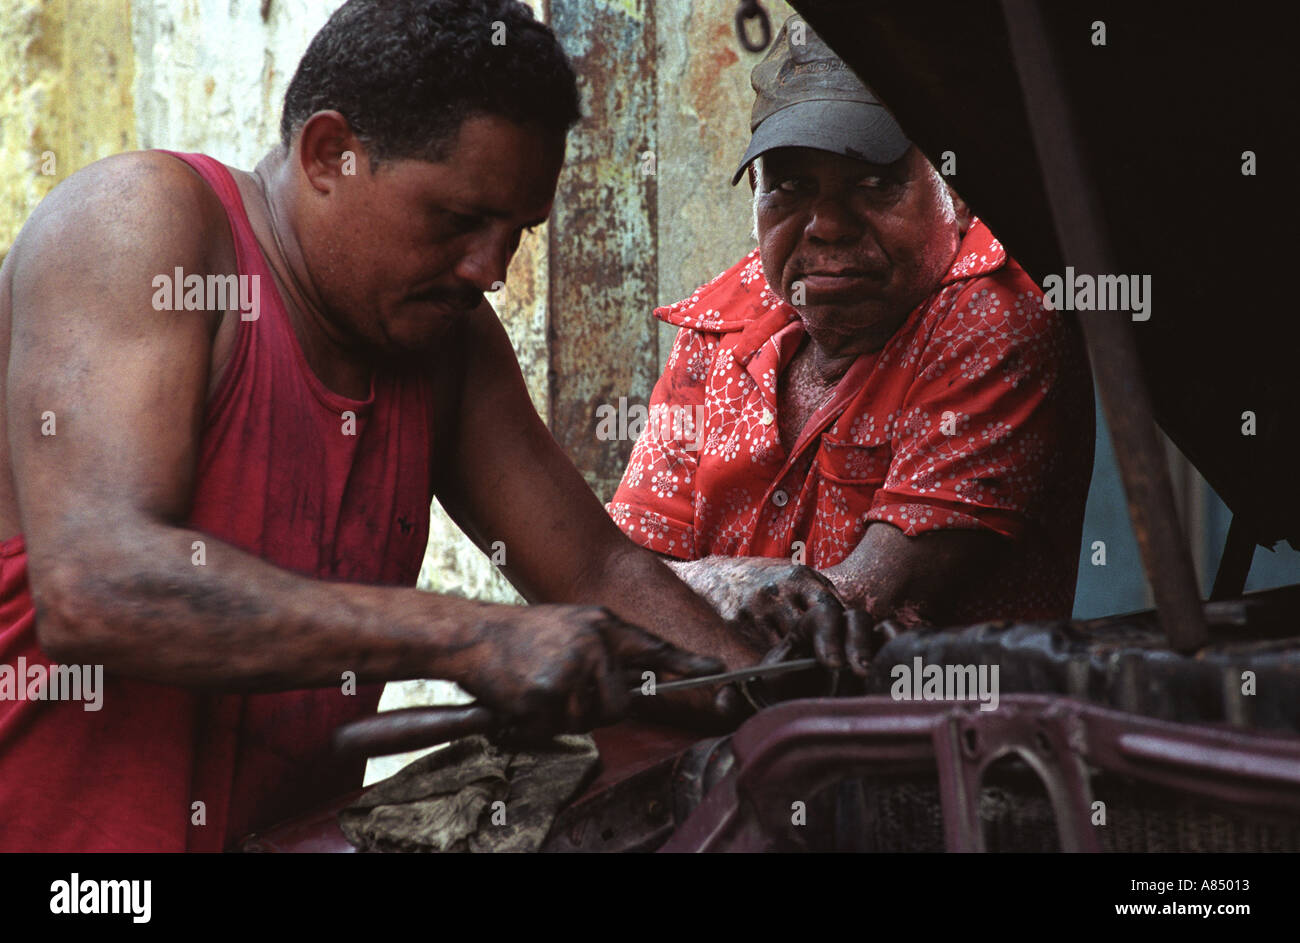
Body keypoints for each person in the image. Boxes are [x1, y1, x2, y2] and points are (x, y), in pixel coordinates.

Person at [0, 0, 741, 852]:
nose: (489, 271)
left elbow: (594, 568)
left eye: (516, 236)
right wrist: (468, 633)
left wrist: (772, 684)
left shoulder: (447, 343)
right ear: (329, 154)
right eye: (458, 221)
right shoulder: (140, 225)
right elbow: (98, 587)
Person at [608, 15, 1095, 673]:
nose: (828, 225)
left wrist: (679, 585)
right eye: (790, 186)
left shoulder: (1002, 313)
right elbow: (615, 580)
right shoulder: (717, 323)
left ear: (954, 193)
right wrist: (729, 582)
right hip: (724, 728)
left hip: (930, 743)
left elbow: (848, 611)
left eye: (874, 183)